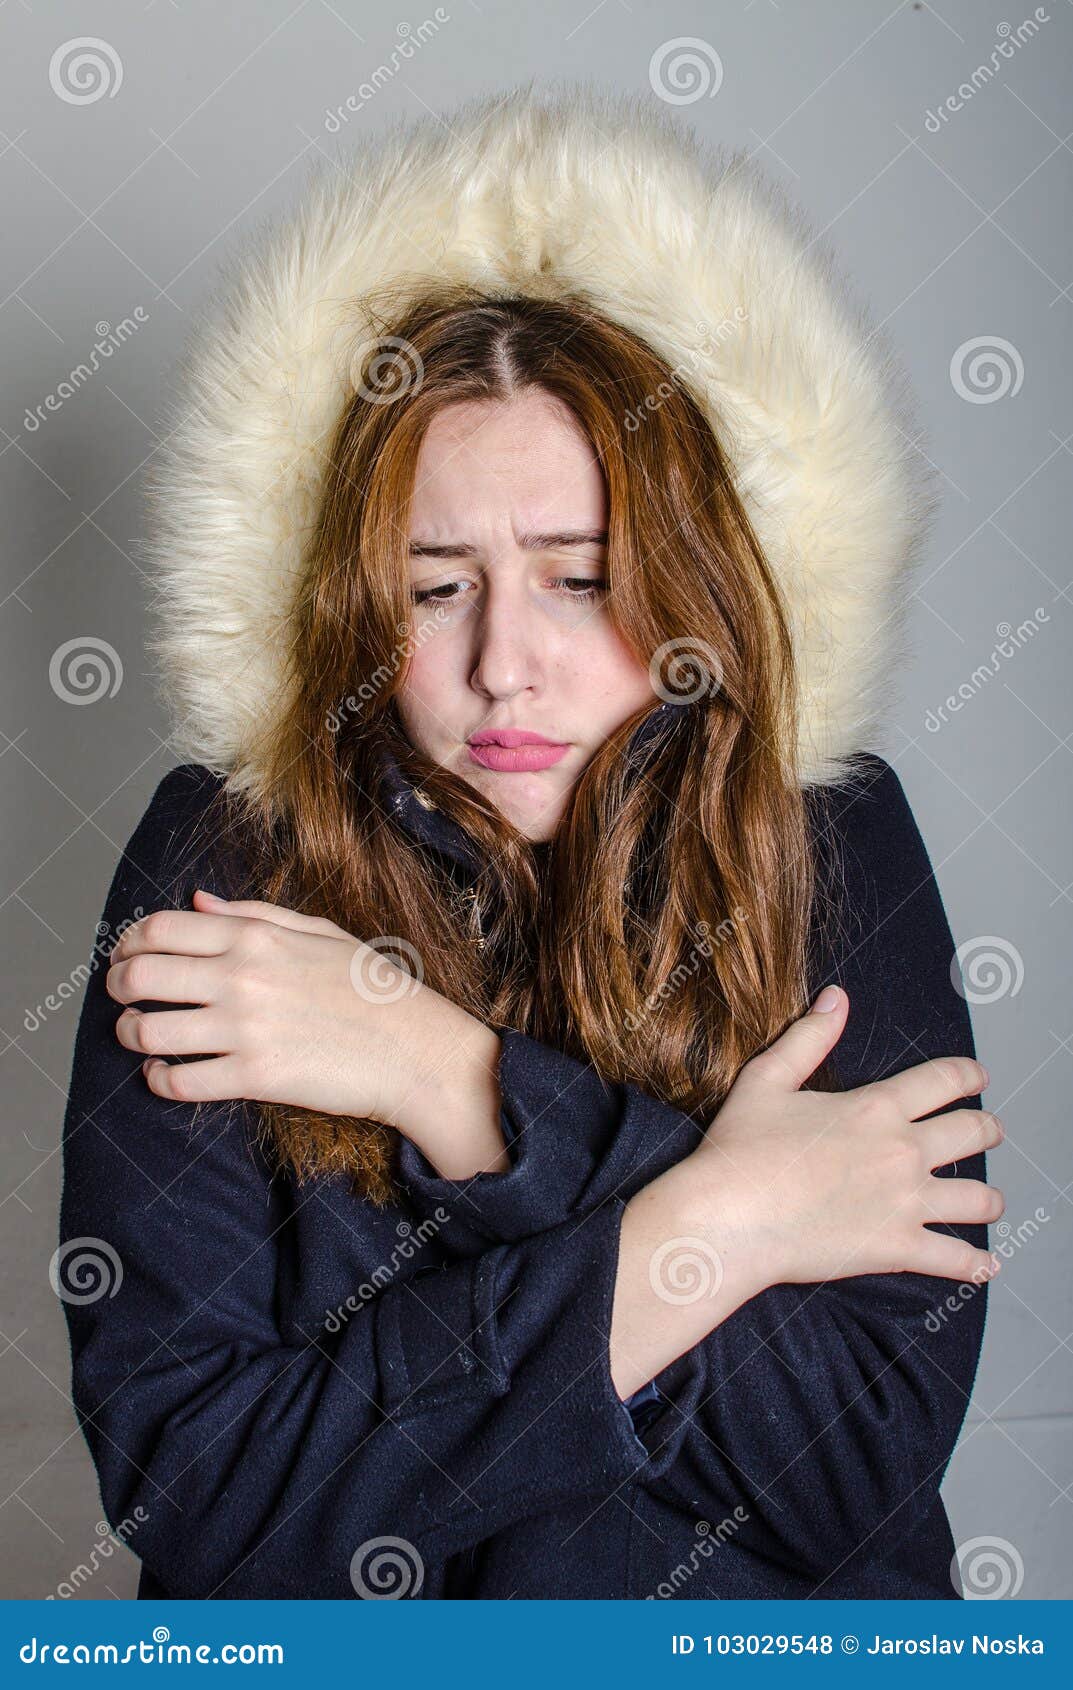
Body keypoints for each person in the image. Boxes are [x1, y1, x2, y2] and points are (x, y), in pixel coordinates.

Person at [57, 84, 1003, 1601]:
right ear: (357, 611)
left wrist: (441, 1076)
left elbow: (852, 1465)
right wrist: (720, 1220)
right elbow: (203, 1497)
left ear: (689, 585)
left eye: (578, 578)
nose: (506, 663)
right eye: (435, 589)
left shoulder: (827, 832)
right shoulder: (222, 855)